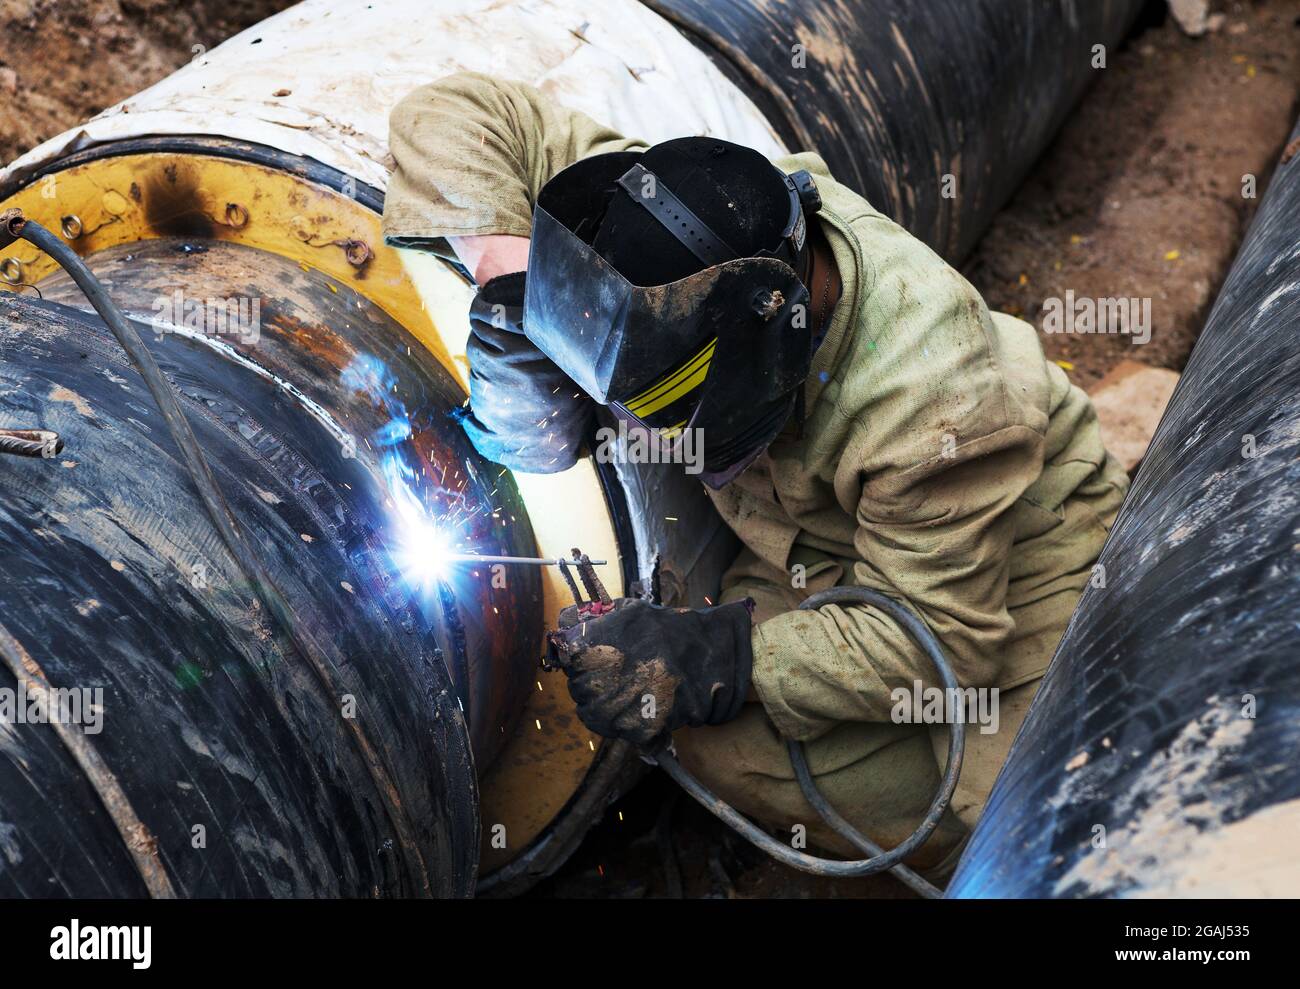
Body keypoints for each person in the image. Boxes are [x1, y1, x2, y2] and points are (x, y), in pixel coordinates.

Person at [383, 71, 1129, 873]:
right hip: (814, 540)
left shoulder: (932, 400)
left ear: (765, 361)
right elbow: (453, 110)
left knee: (1010, 811)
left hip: (1004, 574)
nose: (629, 433)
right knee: (700, 726)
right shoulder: (677, 215)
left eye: (659, 414)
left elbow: (936, 640)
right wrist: (515, 282)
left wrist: (713, 657)